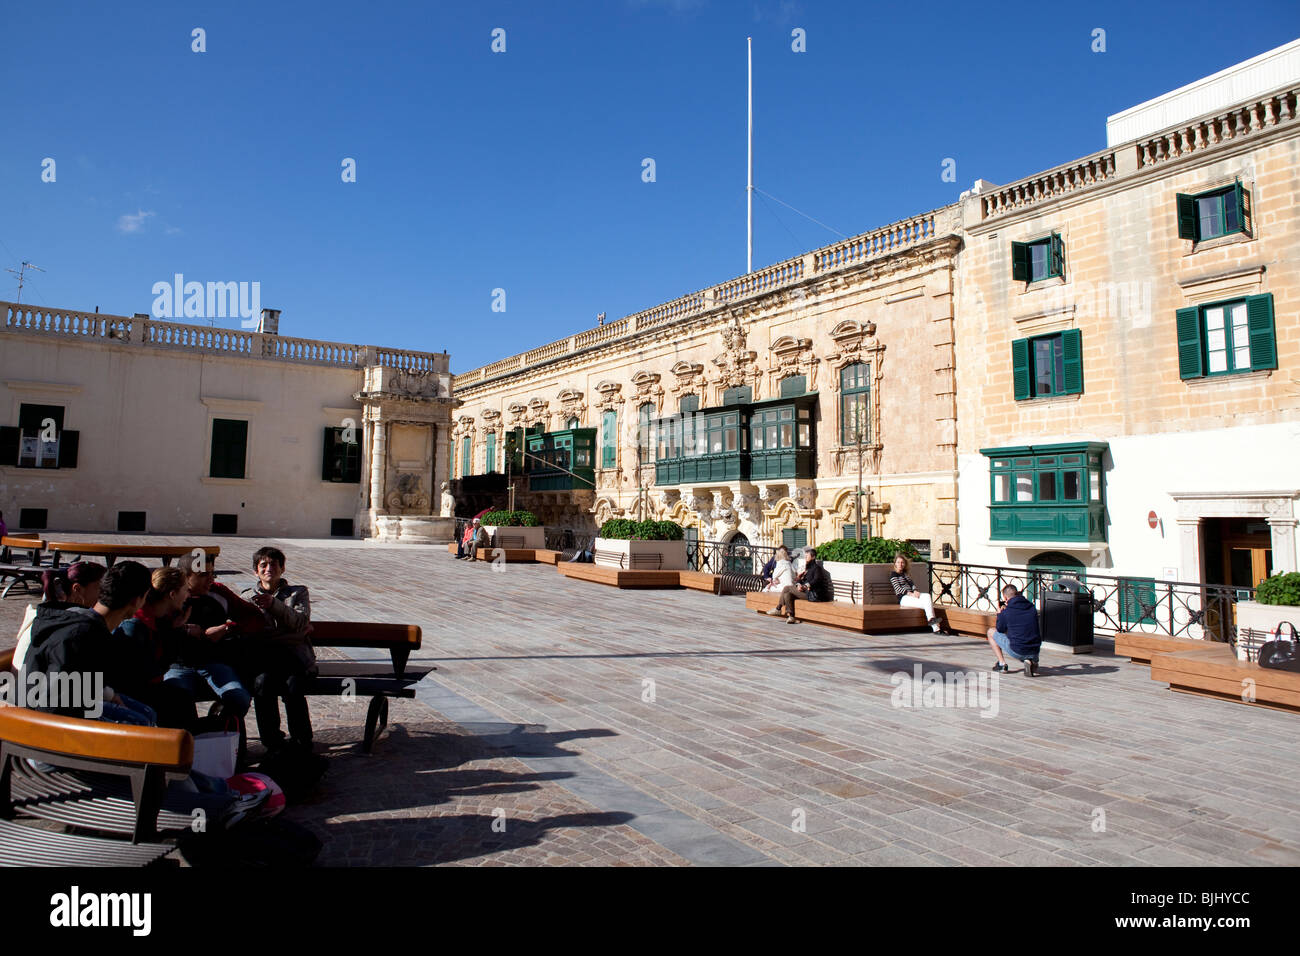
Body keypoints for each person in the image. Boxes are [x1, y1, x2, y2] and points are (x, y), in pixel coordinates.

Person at [25, 561, 159, 725]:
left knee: (148, 714)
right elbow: (55, 703)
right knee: (141, 724)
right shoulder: (83, 635)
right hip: (47, 722)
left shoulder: (79, 619)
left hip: (56, 705)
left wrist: (108, 695)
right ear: (136, 601)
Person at [241, 547, 315, 751]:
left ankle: (302, 741)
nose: (268, 569)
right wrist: (293, 635)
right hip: (265, 659)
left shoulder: (297, 592)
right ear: (256, 571)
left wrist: (275, 605)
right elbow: (251, 633)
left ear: (282, 568)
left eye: (274, 564)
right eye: (263, 565)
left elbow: (300, 621)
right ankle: (272, 741)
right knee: (262, 684)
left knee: (294, 685)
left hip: (296, 659)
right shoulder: (248, 597)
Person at [163, 560, 253, 723]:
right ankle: (196, 739)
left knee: (239, 698)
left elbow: (254, 618)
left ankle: (218, 730)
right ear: (186, 577)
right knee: (178, 702)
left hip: (213, 663)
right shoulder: (171, 597)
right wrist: (180, 629)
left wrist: (228, 627)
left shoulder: (218, 593)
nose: (211, 579)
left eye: (213, 573)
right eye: (204, 575)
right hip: (177, 665)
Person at [115, 567, 203, 730]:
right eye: (185, 590)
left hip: (148, 687)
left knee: (182, 697)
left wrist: (176, 629)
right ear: (172, 594)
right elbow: (152, 670)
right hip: (131, 692)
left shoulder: (162, 619)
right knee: (179, 699)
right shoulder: (136, 625)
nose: (188, 595)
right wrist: (175, 633)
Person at [13, 561, 108, 682]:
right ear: (77, 589)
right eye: (100, 589)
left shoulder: (55, 618)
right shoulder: (67, 627)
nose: (104, 596)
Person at [987, 584, 1041, 676]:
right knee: (1027, 634)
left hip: (1018, 650)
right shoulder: (1031, 607)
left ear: (1005, 598)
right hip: (1035, 650)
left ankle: (1002, 665)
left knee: (990, 632)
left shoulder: (1007, 612)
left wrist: (1000, 614)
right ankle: (1032, 661)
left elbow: (1000, 629)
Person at [770, 546, 832, 624]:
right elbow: (801, 580)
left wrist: (805, 586)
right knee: (787, 594)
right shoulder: (808, 568)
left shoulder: (817, 568)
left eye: (807, 556)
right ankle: (791, 616)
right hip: (806, 592)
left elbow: (816, 580)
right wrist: (799, 584)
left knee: (787, 588)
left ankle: (778, 609)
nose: (805, 558)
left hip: (813, 594)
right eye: (805, 556)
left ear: (813, 557)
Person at [890, 554, 943, 634]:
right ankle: (935, 627)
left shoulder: (905, 575)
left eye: (902, 562)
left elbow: (912, 585)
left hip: (912, 595)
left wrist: (915, 591)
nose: (900, 564)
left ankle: (932, 620)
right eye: (898, 562)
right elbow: (898, 588)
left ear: (905, 564)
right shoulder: (893, 575)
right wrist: (910, 594)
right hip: (904, 598)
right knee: (927, 604)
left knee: (927, 596)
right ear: (895, 564)